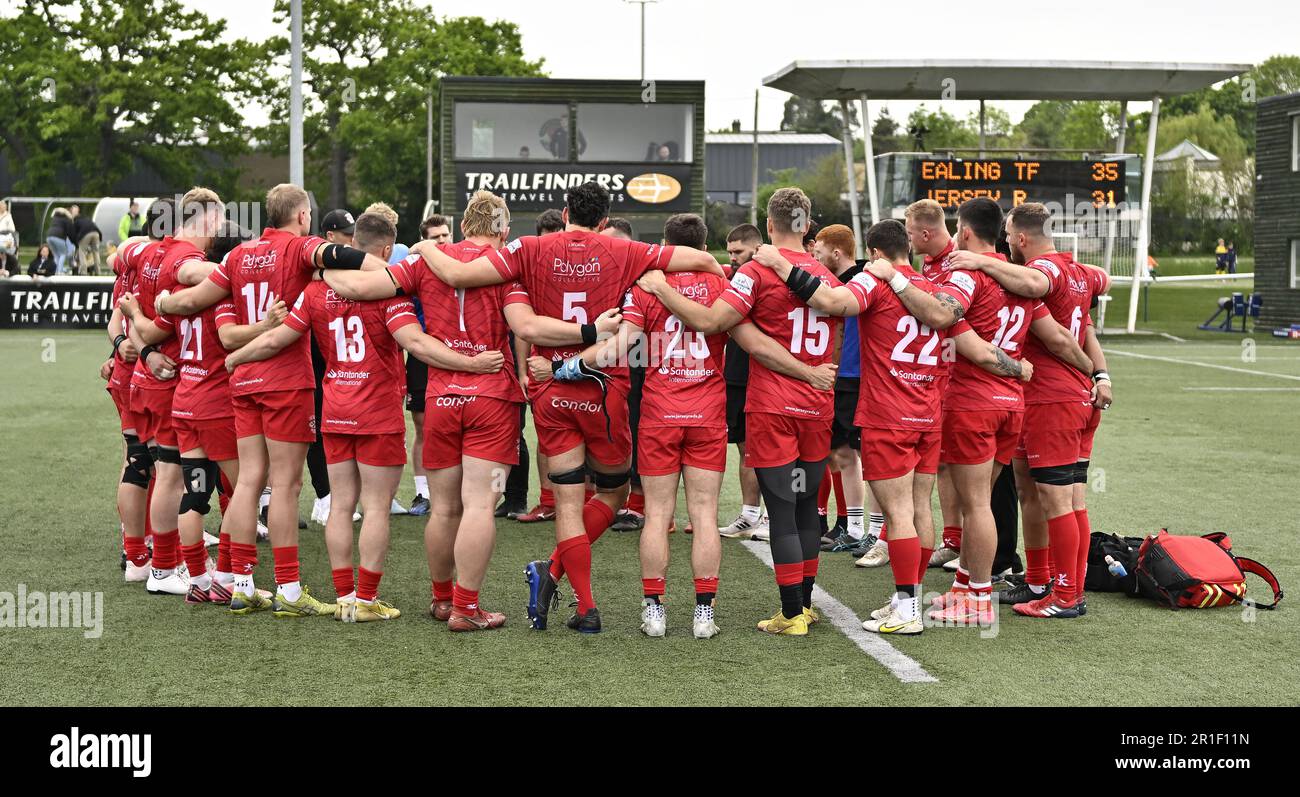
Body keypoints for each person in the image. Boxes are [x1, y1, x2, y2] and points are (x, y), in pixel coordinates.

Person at [408, 180, 726, 634]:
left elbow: (462, 278)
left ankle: (585, 607)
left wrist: (423, 247)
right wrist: (712, 268)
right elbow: (700, 259)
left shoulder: (530, 248)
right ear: (603, 220)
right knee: (615, 492)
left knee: (568, 502)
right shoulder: (626, 250)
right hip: (602, 389)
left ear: (563, 211)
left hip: (549, 390)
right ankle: (560, 576)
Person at [322, 194, 620, 630]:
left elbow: (359, 287)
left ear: (463, 227)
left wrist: (322, 264)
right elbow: (526, 327)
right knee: (480, 504)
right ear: (503, 231)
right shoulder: (508, 265)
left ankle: (443, 600)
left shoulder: (427, 262)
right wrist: (572, 342)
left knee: (444, 508)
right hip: (493, 402)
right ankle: (465, 607)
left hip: (442, 399)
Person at [563, 211, 830, 637]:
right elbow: (747, 338)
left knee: (657, 515)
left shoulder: (647, 286)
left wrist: (571, 364)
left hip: (659, 415)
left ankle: (655, 609)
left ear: (668, 248)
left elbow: (623, 346)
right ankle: (704, 613)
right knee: (705, 514)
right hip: (707, 414)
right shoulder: (723, 284)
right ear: (703, 248)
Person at [156, 182, 393, 616]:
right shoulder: (301, 247)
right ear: (302, 216)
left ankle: (242, 583)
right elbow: (337, 257)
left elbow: (194, 298)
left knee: (248, 481)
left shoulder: (238, 255)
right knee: (285, 485)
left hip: (243, 382)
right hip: (285, 381)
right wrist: (381, 269)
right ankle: (287, 590)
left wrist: (164, 300)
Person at [638, 187, 840, 637]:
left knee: (783, 510)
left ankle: (791, 615)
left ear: (769, 226)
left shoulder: (752, 272)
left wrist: (659, 288)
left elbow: (714, 323)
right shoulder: (827, 277)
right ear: (806, 226)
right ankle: (805, 605)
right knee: (808, 507)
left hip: (773, 407)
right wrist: (816, 375)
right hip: (817, 408)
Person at [945, 202, 1111, 619]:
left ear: (1020, 239)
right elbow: (1091, 309)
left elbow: (1041, 294)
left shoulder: (1046, 271)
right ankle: (1041, 580)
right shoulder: (1081, 272)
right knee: (1050, 496)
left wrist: (980, 262)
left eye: (1010, 239)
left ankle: (1067, 594)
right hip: (1069, 397)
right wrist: (1099, 375)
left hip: (1050, 397)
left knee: (1057, 501)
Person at [118, 188, 228, 598]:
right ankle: (165, 568)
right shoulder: (185, 258)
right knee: (172, 477)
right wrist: (241, 271)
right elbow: (198, 278)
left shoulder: (150, 252)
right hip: (172, 382)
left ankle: (144, 559)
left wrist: (141, 347)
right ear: (210, 220)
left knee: (146, 469)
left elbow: (121, 261)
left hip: (147, 378)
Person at [512, 209, 567, 524]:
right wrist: (522, 370)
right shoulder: (531, 273)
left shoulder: (589, 268)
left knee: (593, 437)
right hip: (544, 365)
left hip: (584, 364)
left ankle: (590, 502)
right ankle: (548, 500)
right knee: (546, 435)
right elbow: (524, 327)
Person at [716, 223, 769, 541]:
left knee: (771, 451)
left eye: (739, 251)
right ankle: (749, 514)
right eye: (730, 251)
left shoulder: (771, 277)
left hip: (765, 374)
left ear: (756, 247)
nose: (733, 258)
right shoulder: (735, 278)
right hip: (735, 374)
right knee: (745, 447)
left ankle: (776, 516)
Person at [403, 214, 454, 518]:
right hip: (423, 354)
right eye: (435, 237)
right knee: (423, 427)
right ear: (425, 241)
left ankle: (456, 491)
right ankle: (422, 493)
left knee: (454, 425)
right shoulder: (415, 266)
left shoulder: (463, 265)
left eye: (446, 235)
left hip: (458, 353)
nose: (443, 241)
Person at [72, 205, 104, 274]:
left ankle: (84, 271)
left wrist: (77, 244)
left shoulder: (76, 221)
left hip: (85, 234)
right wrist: (100, 238)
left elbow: (74, 234)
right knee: (95, 252)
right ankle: (98, 271)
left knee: (82, 252)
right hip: (96, 233)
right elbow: (96, 228)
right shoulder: (87, 219)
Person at [47, 207, 75, 274]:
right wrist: (73, 241)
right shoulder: (66, 220)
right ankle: (59, 272)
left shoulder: (55, 218)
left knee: (56, 255)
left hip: (49, 237)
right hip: (58, 237)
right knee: (63, 253)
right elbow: (70, 232)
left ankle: (55, 271)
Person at [0, 200, 17, 274]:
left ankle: (6, 270)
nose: (3, 207)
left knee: (7, 253)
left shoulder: (8, 216)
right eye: (1, 206)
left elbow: (12, 229)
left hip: (6, 237)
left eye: (4, 206)